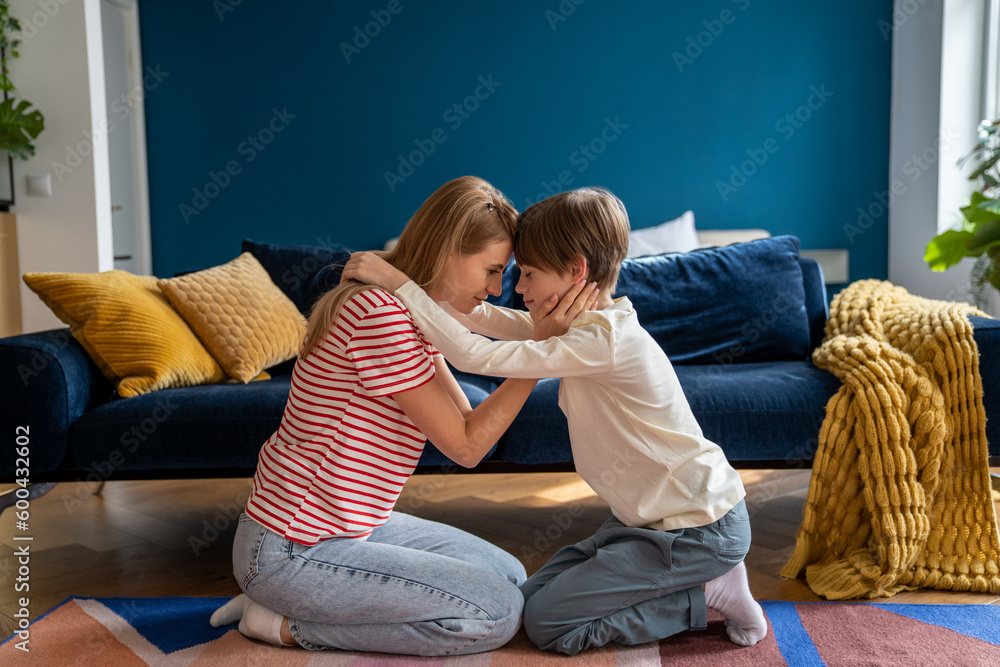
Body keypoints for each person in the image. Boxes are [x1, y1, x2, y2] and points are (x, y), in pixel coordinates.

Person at [341, 186, 768, 655]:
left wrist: (398, 284)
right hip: (646, 523)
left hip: (699, 528)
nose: (518, 288)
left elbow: (472, 353)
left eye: (528, 273)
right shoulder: (582, 328)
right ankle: (690, 578)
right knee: (527, 602)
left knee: (549, 626)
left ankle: (706, 593)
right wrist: (424, 288)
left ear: (576, 270)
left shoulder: (603, 341)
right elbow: (486, 320)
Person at [209, 176, 598, 656]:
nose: (497, 289)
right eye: (492, 270)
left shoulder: (413, 317)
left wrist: (542, 345)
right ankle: (281, 622)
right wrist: (541, 354)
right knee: (495, 614)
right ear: (447, 251)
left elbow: (471, 428)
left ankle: (303, 604)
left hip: (355, 528)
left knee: (510, 576)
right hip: (291, 548)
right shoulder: (379, 315)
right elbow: (466, 446)